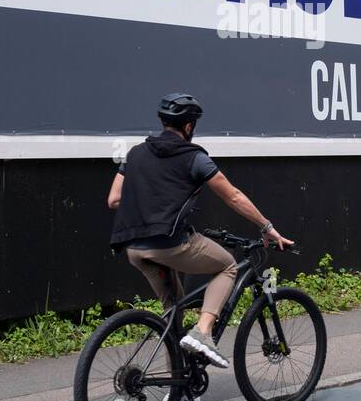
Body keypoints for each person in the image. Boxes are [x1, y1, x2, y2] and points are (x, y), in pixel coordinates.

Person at [107, 93, 293, 368]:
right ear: (189, 127)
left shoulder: (134, 154)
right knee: (228, 267)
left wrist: (150, 200)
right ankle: (204, 332)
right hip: (170, 244)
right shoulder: (194, 158)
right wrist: (267, 227)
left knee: (174, 308)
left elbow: (113, 199)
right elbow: (233, 196)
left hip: (134, 247)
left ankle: (176, 386)